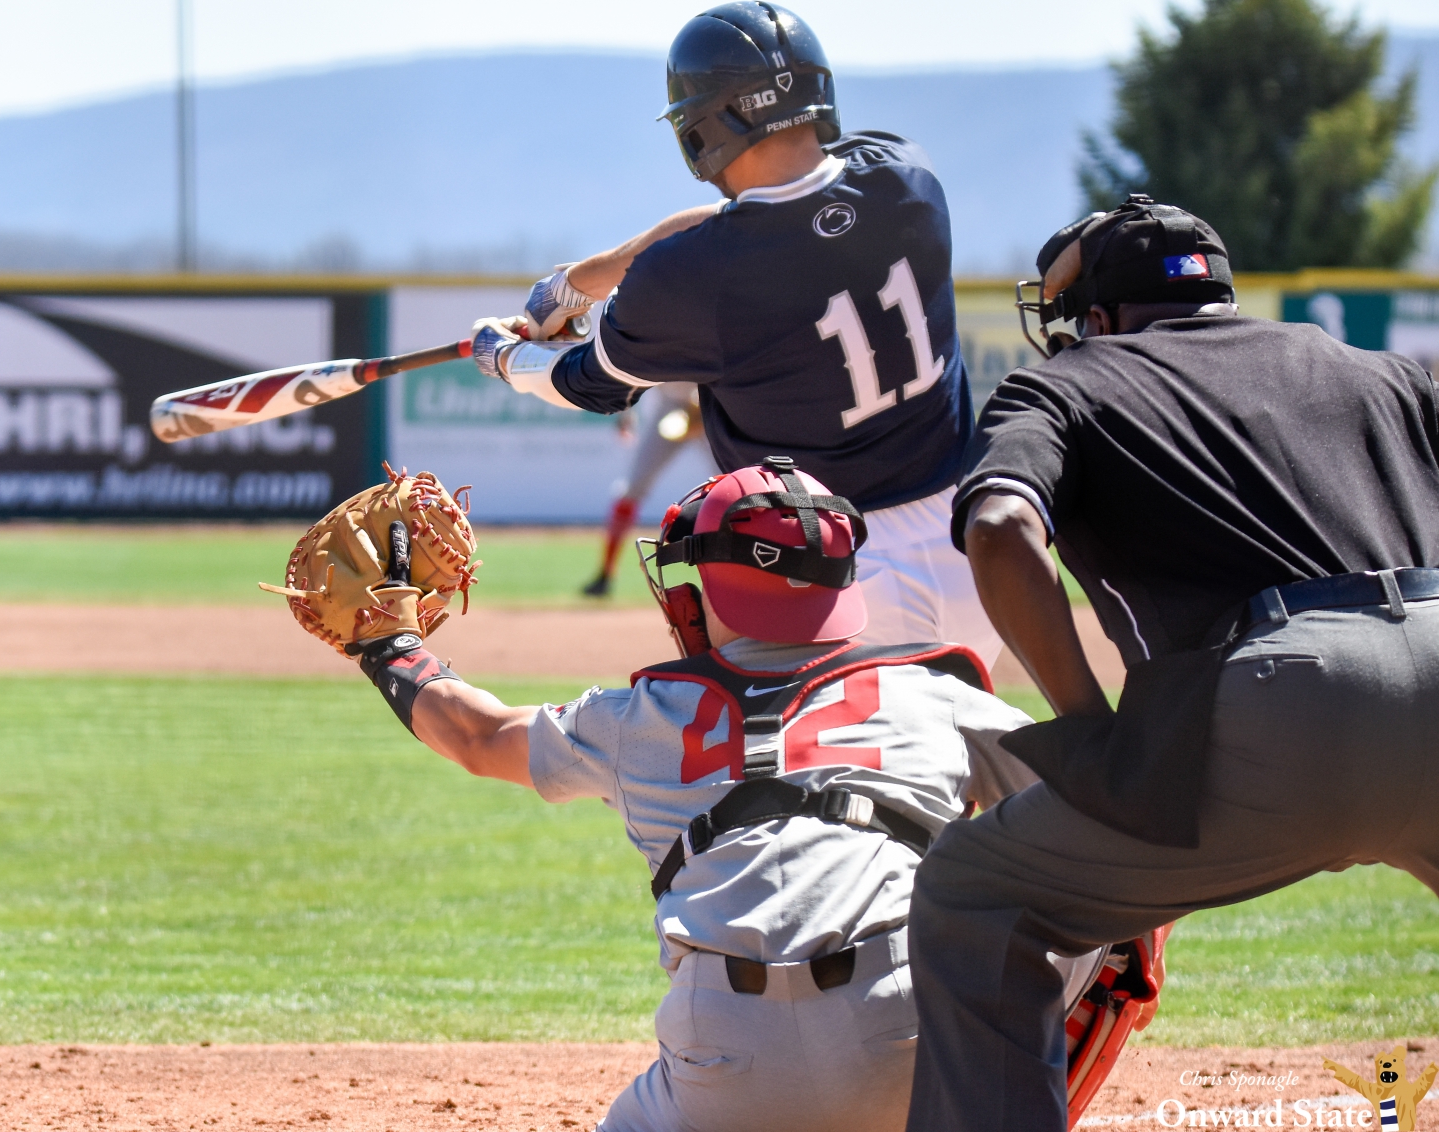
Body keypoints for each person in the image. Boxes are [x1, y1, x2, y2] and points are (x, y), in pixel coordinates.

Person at [337, 455, 1110, 1132]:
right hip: (906, 1038)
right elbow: (1104, 815)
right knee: (1110, 915)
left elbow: (476, 735)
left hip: (722, 1054)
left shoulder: (638, 718)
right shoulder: (933, 697)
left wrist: (389, 648)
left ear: (714, 592)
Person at [902, 197, 1439, 1132]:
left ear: (1099, 318)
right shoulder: (1380, 371)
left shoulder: (1070, 381)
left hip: (1277, 695)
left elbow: (998, 531)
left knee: (976, 894)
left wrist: (1087, 731)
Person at [469, 1, 1001, 664]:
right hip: (974, 549)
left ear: (702, 128)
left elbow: (583, 383)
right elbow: (748, 215)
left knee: (816, 769)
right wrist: (585, 279)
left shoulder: (696, 277)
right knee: (962, 756)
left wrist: (504, 357)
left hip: (838, 571)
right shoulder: (908, 176)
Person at [583, 382, 710, 597]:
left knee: (741, 485)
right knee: (630, 489)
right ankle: (605, 575)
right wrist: (625, 409)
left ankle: (751, 572)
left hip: (712, 403)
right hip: (672, 406)